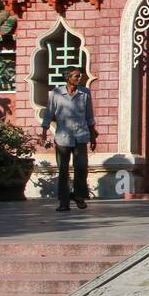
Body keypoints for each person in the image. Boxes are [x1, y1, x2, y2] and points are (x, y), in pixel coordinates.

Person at [40, 68, 96, 211]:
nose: (79, 78)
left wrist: (93, 135)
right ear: (68, 78)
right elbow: (48, 114)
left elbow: (90, 116)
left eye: (80, 76)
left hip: (81, 136)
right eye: (76, 76)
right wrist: (44, 132)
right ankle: (64, 202)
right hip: (63, 139)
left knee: (82, 168)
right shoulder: (55, 94)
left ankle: (78, 195)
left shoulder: (85, 93)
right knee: (63, 170)